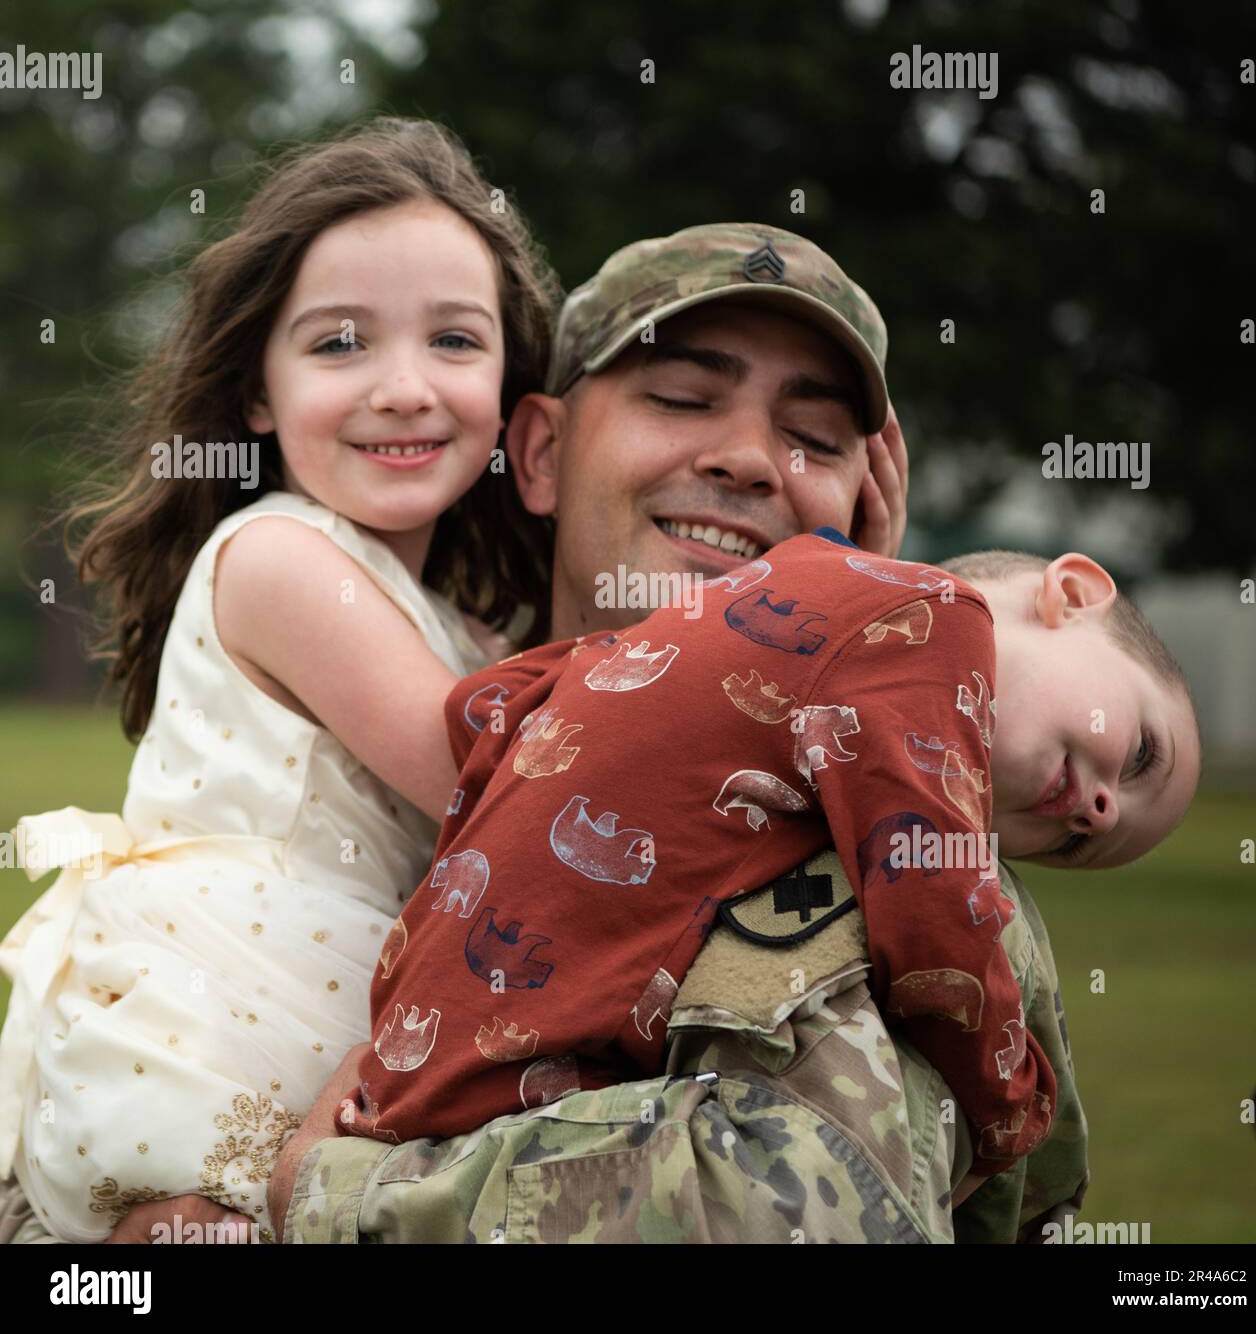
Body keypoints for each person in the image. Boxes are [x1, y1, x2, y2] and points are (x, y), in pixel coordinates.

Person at [266, 225, 1141, 1243]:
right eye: (681, 399)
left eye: (813, 439)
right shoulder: (386, 730)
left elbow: (795, 1209)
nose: (747, 460)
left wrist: (328, 1195)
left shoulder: (881, 882)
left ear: (860, 509)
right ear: (541, 453)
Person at [0, 116, 559, 1241]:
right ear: (255, 391)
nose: (403, 387)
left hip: (328, 1031)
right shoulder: (280, 557)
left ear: (513, 385)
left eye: (454, 341)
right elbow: (485, 773)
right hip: (211, 1025)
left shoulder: (461, 624)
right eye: (340, 344)